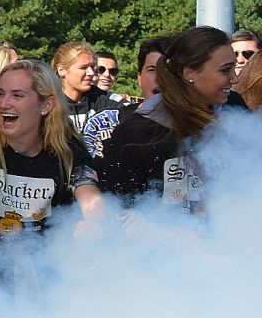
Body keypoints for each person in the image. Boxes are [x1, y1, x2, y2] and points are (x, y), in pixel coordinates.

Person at [0, 59, 102, 240]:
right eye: (0, 94)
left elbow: (90, 196)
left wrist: (95, 221)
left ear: (46, 105)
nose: (4, 104)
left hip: (43, 257)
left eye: (17, 95)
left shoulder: (68, 148)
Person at [101, 26, 235, 208]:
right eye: (225, 70)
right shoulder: (136, 135)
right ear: (189, 73)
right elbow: (118, 209)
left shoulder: (234, 107)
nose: (234, 78)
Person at [52, 39, 122, 157]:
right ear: (62, 70)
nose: (91, 73)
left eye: (92, 67)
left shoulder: (107, 101)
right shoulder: (47, 103)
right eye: (83, 67)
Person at [135, 35, 168, 102]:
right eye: (152, 70)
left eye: (166, 70)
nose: (159, 77)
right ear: (139, 78)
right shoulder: (122, 112)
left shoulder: (193, 112)